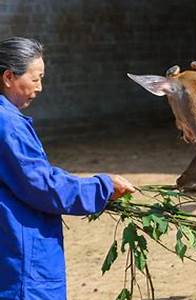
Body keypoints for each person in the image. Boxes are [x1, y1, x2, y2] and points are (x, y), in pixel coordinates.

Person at [0, 37, 136, 299]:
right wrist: (102, 187)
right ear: (8, 77)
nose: (40, 87)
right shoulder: (9, 125)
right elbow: (41, 185)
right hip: (22, 251)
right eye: (36, 78)